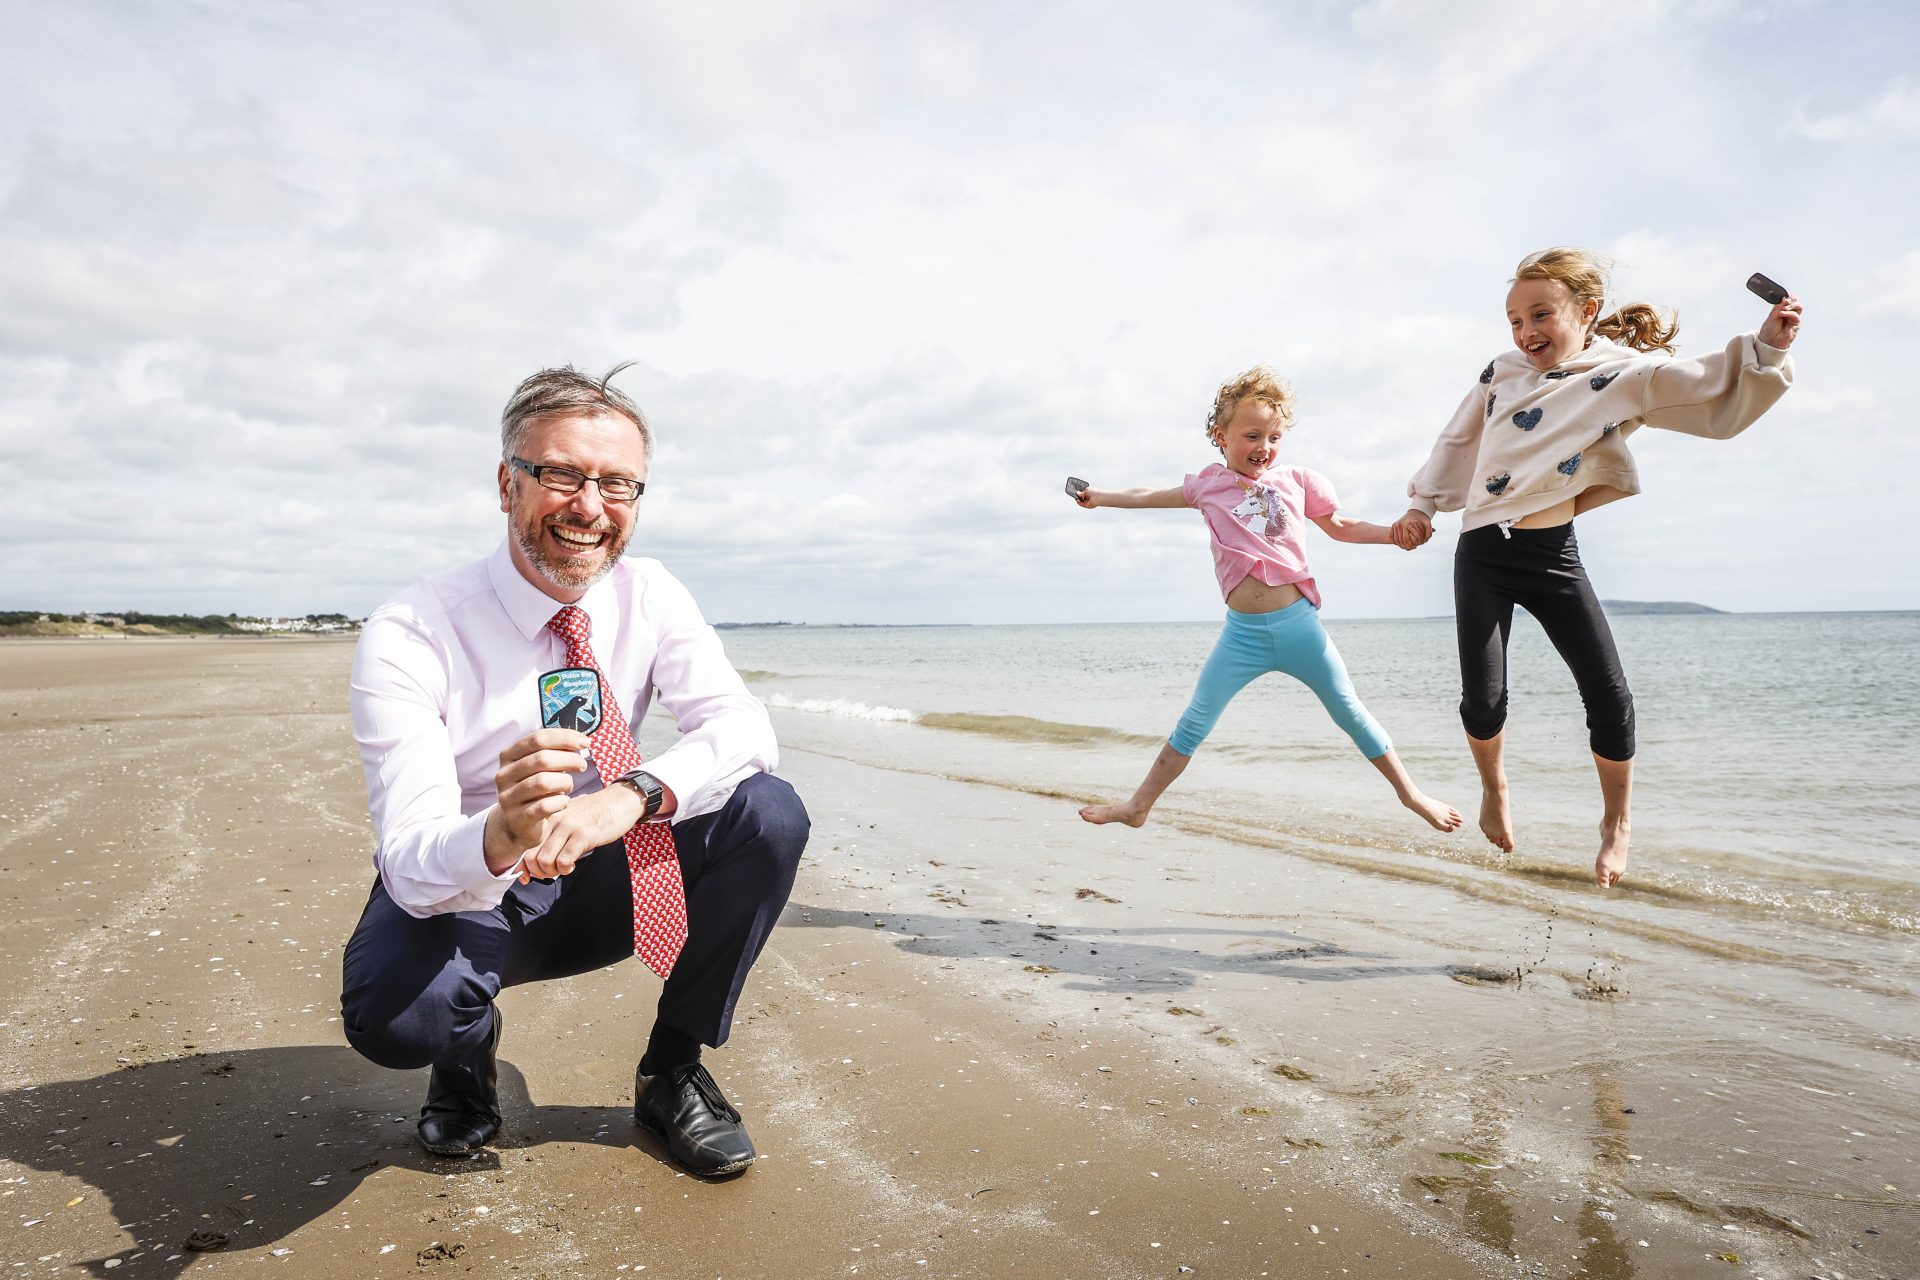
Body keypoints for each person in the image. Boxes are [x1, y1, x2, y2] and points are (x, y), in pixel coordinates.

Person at [341, 364, 808, 1178]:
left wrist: (631, 797)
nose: (589, 507)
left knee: (768, 813)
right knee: (399, 1018)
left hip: (607, 864)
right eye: (560, 474)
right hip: (480, 885)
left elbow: (742, 726)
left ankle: (672, 1071)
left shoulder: (651, 593)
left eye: (617, 484)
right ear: (507, 484)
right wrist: (499, 832)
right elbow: (410, 861)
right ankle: (464, 1053)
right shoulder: (413, 630)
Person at [1389, 247, 1801, 888]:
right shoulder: (1501, 372)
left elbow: (1704, 388)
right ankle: (1495, 790)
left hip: (1552, 555)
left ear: (1587, 311)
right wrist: (1422, 505)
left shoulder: (1622, 374)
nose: (1526, 332)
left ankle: (1617, 824)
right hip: (1483, 552)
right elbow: (1458, 440)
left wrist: (1765, 349)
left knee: (1609, 696)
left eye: (1540, 315)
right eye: (1515, 320)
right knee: (1483, 700)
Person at [1073, 366, 1463, 834]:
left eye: (1275, 437)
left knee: (1349, 710)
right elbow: (1148, 495)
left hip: (1299, 628)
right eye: (1253, 435)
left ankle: (1411, 794)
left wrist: (1393, 535)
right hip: (1242, 637)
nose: (1265, 447)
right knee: (1195, 721)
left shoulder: (1297, 480)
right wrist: (1100, 497)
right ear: (1221, 436)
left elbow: (1341, 527)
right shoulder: (1207, 485)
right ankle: (1138, 807)